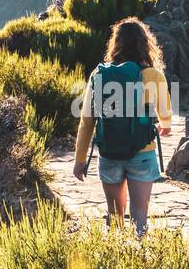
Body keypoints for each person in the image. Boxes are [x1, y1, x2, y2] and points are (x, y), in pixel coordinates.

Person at [73, 17, 172, 236]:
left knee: (115, 215)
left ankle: (114, 262)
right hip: (143, 153)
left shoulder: (99, 75)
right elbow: (165, 113)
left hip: (109, 153)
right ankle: (140, 262)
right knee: (140, 215)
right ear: (145, 45)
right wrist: (165, 125)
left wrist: (80, 161)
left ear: (115, 44)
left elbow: (86, 121)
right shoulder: (153, 76)